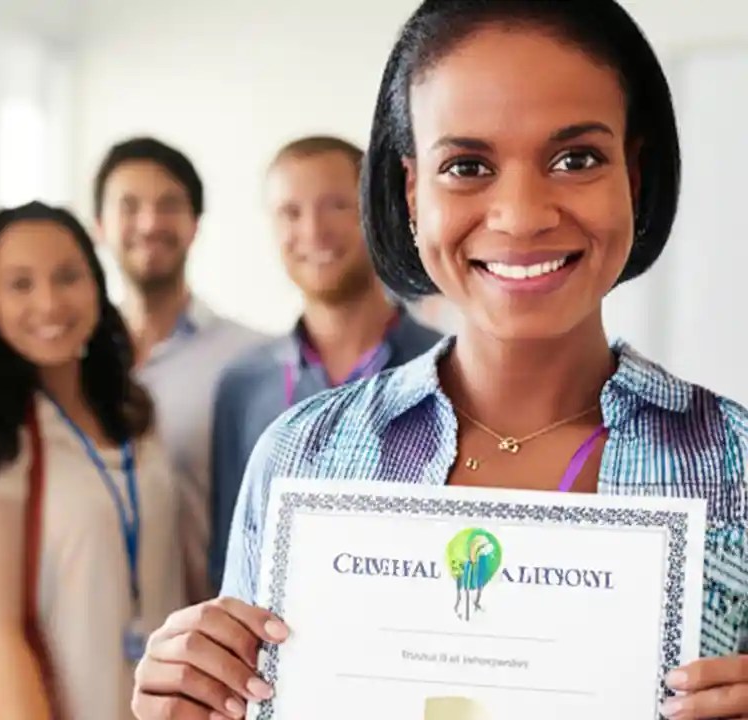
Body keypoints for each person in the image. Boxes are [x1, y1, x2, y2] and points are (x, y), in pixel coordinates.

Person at [130, 2, 748, 719]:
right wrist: (192, 699)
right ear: (412, 192)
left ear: (633, 177)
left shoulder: (736, 463)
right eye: (467, 167)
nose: (521, 215)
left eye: (576, 159)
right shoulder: (301, 454)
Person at [0, 202, 185, 719]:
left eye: (68, 277)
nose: (49, 302)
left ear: (96, 284)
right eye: (20, 284)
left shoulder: (132, 416)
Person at [207, 136, 441, 588]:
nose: (314, 231)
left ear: (376, 212)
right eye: (290, 213)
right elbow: (230, 559)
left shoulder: (445, 368)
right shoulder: (243, 386)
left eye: (336, 206)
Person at [93, 137, 267, 603]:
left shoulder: (250, 361)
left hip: (213, 625)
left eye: (168, 205)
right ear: (99, 226)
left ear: (194, 225)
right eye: (129, 206)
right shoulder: (72, 365)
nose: (150, 223)